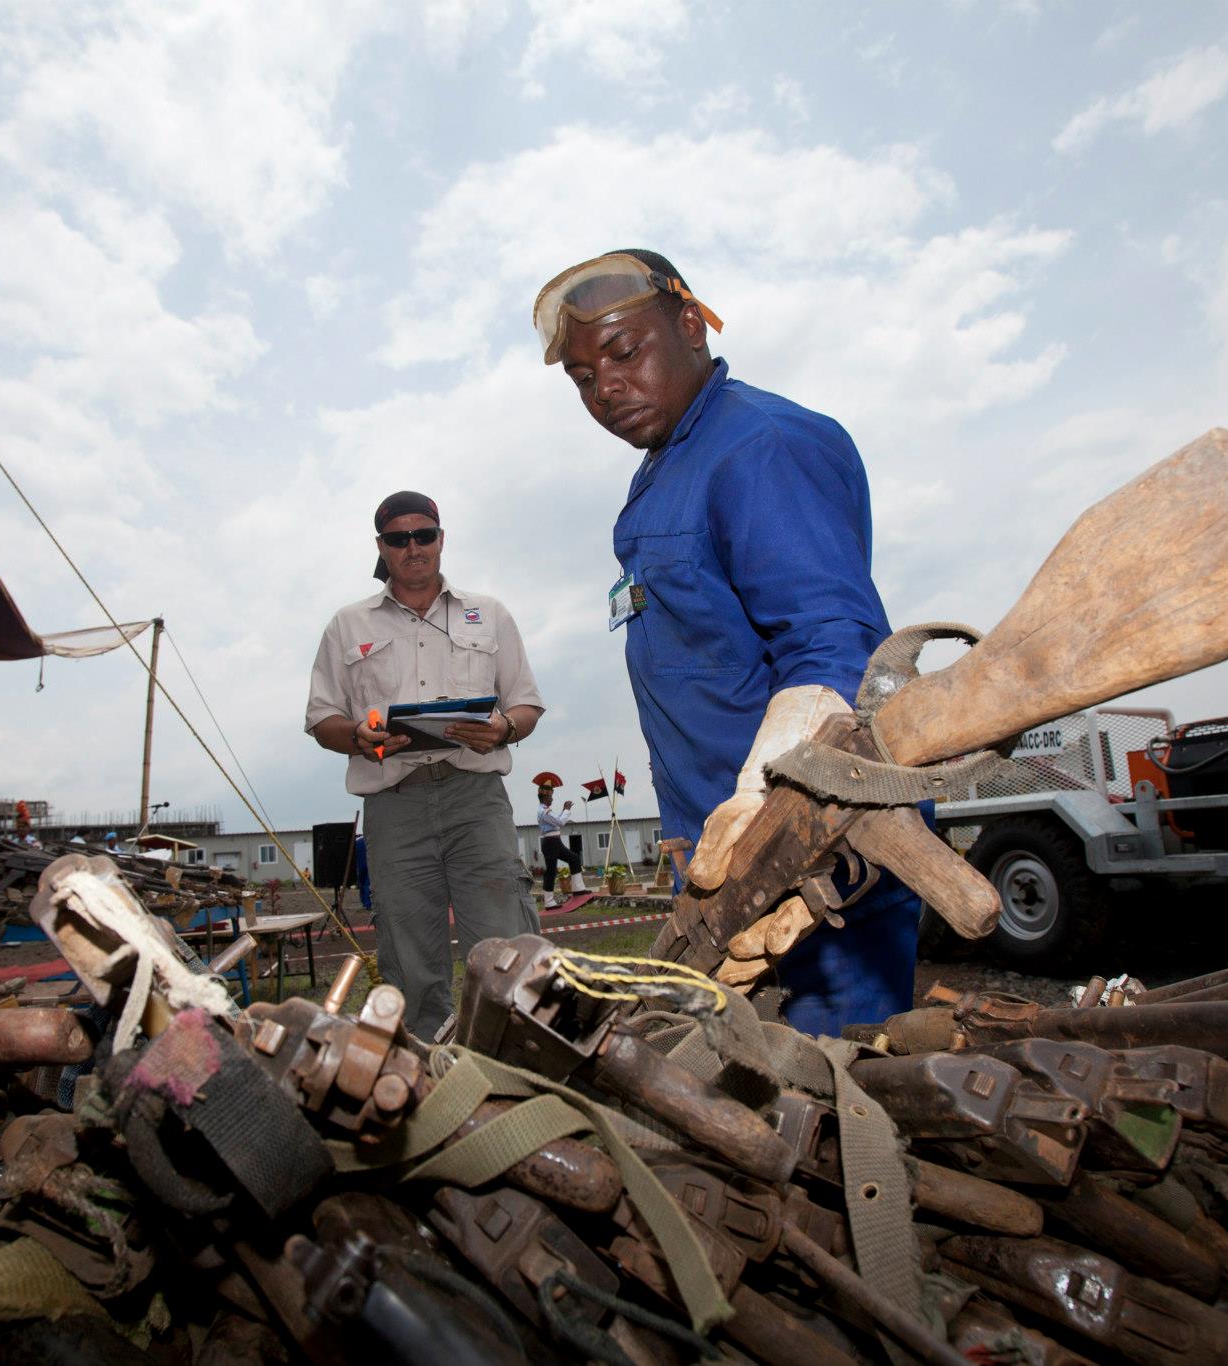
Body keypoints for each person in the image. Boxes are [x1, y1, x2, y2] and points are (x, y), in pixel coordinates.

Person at [535, 249, 922, 1033]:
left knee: (841, 1105)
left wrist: (767, 818)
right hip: (719, 861)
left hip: (810, 861)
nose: (605, 388)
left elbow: (831, 647)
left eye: (623, 353)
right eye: (581, 378)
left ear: (690, 326)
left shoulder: (758, 445)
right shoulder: (665, 467)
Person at [304, 491, 547, 1038]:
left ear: (441, 539)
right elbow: (322, 721)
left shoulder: (489, 614)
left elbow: (527, 703)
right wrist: (359, 737)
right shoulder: (347, 624)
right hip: (394, 803)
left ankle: (521, 1061)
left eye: (424, 535)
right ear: (381, 548)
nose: (412, 547)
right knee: (409, 954)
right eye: (398, 538)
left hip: (475, 798)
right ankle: (423, 1078)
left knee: (506, 943)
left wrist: (503, 728)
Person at [536, 784, 580, 907]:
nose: (552, 799)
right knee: (551, 871)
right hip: (550, 843)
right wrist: (566, 809)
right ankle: (549, 902)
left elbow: (557, 820)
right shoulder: (545, 811)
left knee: (574, 859)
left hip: (555, 842)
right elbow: (560, 822)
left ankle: (578, 889)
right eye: (551, 796)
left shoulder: (545, 810)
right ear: (545, 797)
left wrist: (564, 811)